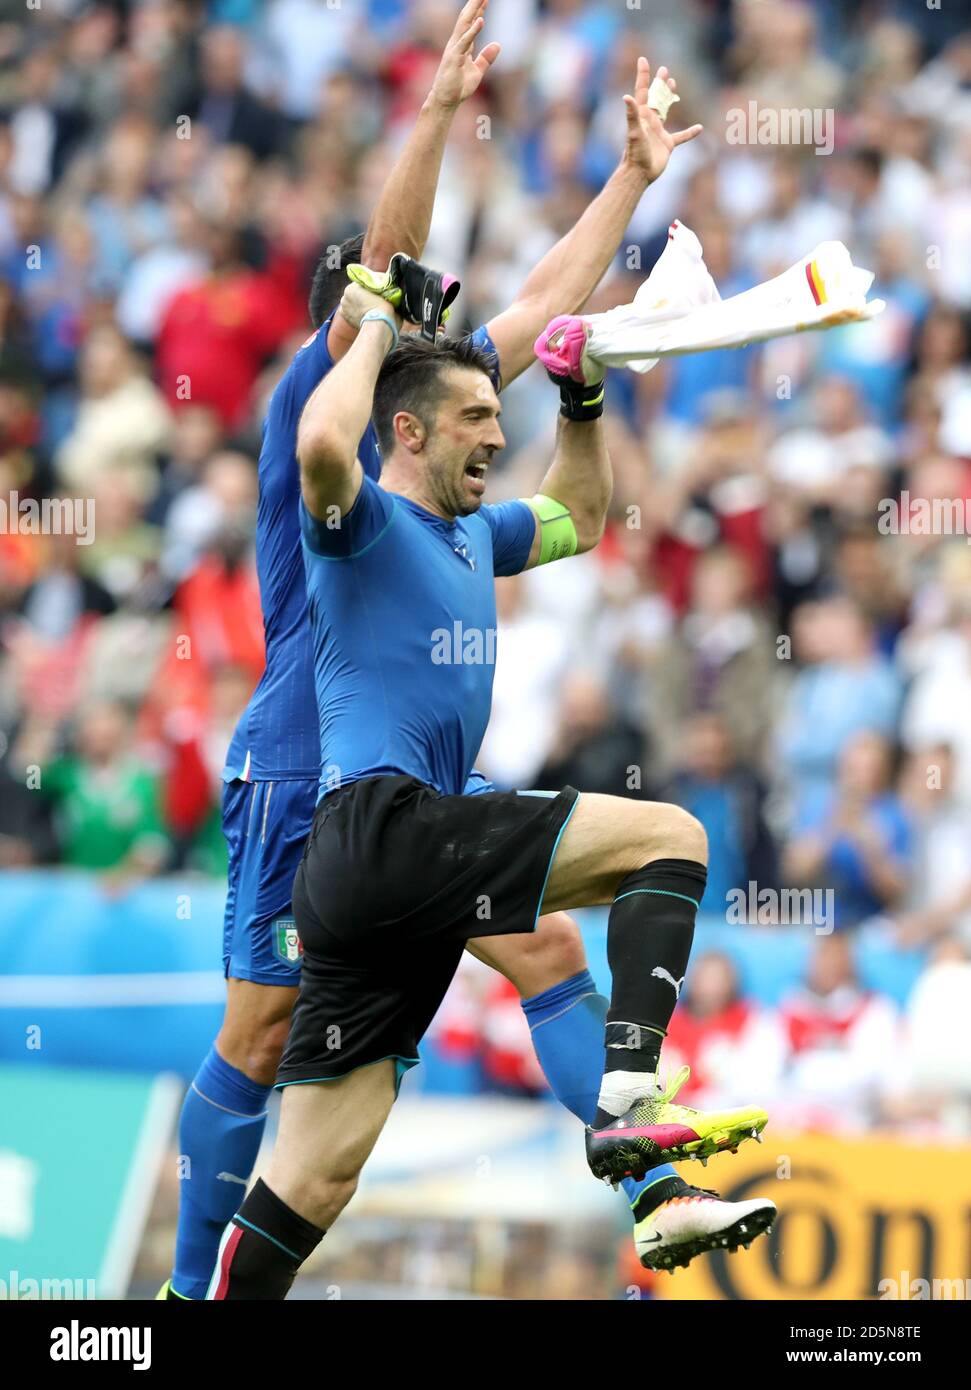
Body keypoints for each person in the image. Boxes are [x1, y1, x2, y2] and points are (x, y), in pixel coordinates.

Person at [165, 1, 761, 1300]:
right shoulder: (343, 406)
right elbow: (388, 275)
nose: (453, 317)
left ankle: (649, 1186)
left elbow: (545, 308)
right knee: (259, 1033)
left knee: (541, 950)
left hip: (407, 795)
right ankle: (171, 1295)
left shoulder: (440, 430)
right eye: (421, 307)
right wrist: (437, 113)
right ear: (368, 340)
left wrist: (630, 181)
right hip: (306, 763)